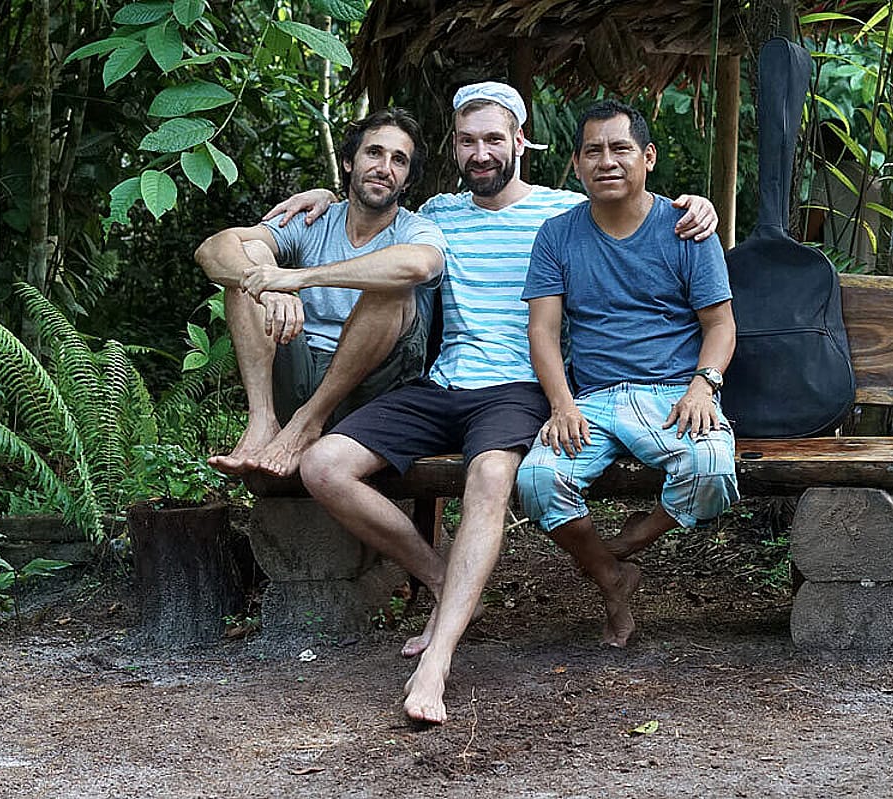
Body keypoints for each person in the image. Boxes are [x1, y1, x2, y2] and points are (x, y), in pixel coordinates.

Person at [270, 82, 718, 724]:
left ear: (520, 142)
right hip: (443, 384)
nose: (481, 153)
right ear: (455, 148)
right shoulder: (438, 215)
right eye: (467, 141)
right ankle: (445, 582)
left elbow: (632, 198)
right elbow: (372, 209)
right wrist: (322, 197)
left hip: (524, 389)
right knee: (323, 466)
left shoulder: (566, 211)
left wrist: (696, 205)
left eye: (493, 139)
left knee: (487, 478)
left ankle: (437, 661)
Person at [516, 99, 740, 649]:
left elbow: (721, 325)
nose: (607, 161)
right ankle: (612, 579)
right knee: (538, 480)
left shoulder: (686, 229)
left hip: (673, 393)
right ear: (576, 164)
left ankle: (626, 544)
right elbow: (543, 332)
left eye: (620, 148)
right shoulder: (557, 235)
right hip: (592, 398)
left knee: (711, 469)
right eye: (593, 151)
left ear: (648, 157)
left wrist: (703, 386)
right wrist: (562, 404)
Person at [194, 108, 446, 477]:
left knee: (391, 285)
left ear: (407, 180)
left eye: (399, 160)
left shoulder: (416, 229)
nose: (384, 168)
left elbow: (419, 265)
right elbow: (214, 249)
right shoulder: (314, 220)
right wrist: (267, 289)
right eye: (374, 152)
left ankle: (305, 425)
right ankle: (262, 421)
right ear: (348, 161)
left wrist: (298, 279)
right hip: (301, 369)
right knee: (250, 260)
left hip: (374, 388)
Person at [803, 120, 882, 272]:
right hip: (870, 273)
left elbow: (808, 233)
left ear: (819, 150)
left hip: (840, 271)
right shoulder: (871, 179)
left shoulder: (828, 175)